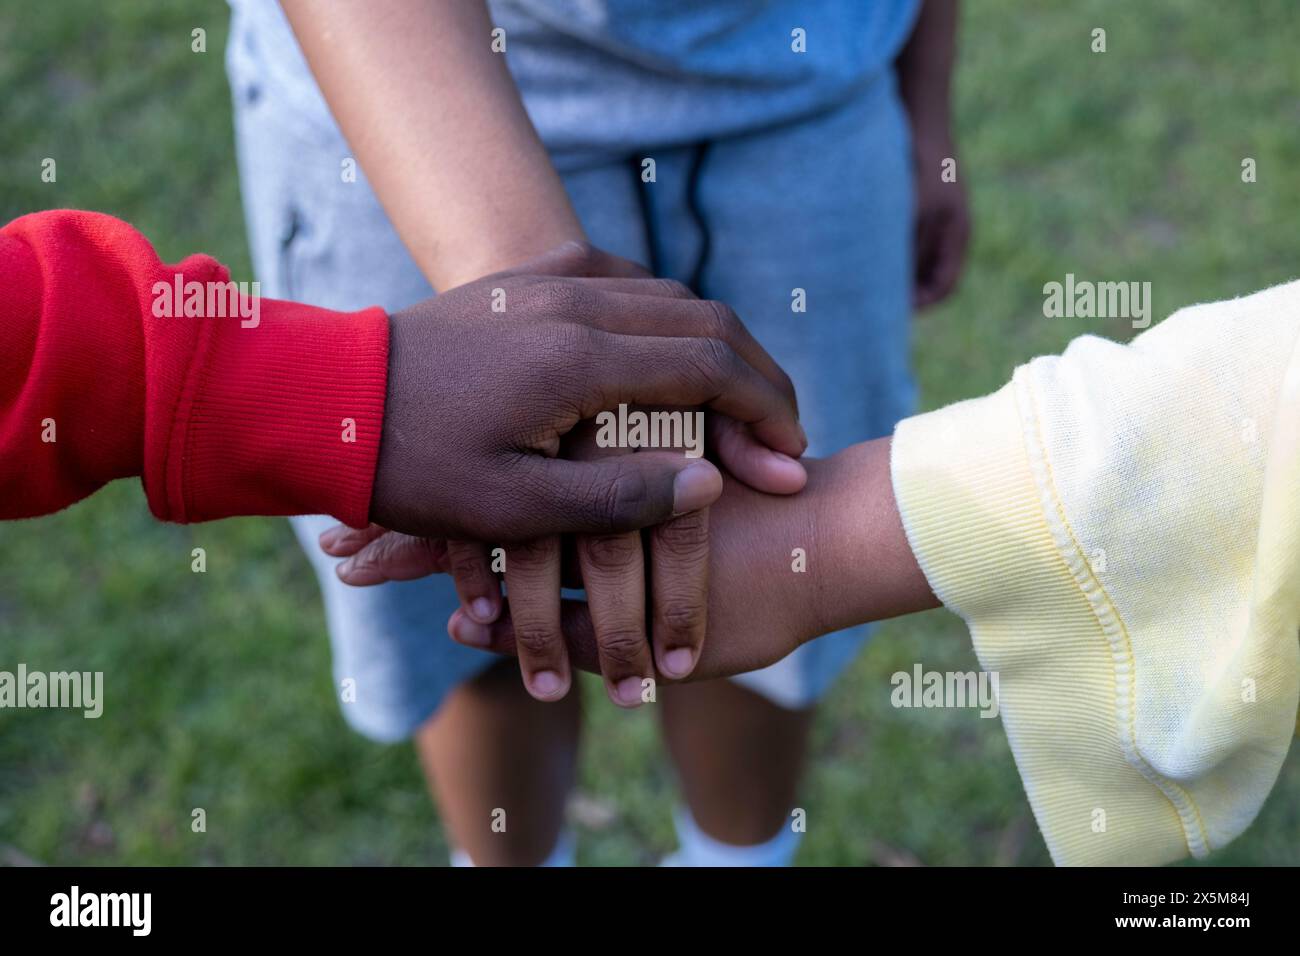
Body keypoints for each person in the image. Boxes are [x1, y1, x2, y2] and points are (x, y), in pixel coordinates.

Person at [225, 0, 967, 867]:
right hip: (403, 101)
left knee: (771, 552)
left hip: (804, 95)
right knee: (479, 601)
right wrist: (541, 347)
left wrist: (927, 100)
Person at [330, 278, 1300, 866]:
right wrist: (561, 339)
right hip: (414, 156)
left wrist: (822, 554)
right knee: (484, 615)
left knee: (683, 618)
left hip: (802, 99)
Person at [0, 210, 803, 544]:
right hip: (375, 115)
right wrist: (353, 394)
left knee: (744, 539)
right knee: (463, 637)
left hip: (815, 90)